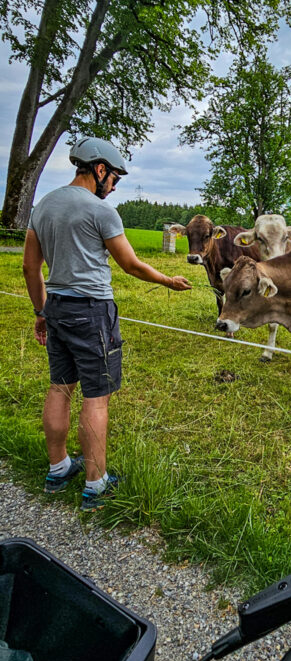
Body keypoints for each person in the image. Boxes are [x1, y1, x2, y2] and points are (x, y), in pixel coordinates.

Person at [22, 137, 191, 511]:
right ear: (100, 170)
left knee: (59, 388)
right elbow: (130, 264)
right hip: (92, 311)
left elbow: (29, 267)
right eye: (114, 179)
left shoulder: (43, 206)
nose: (114, 187)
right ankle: (96, 486)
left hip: (57, 307)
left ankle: (58, 468)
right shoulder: (100, 212)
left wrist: (40, 311)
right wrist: (168, 281)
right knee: (97, 397)